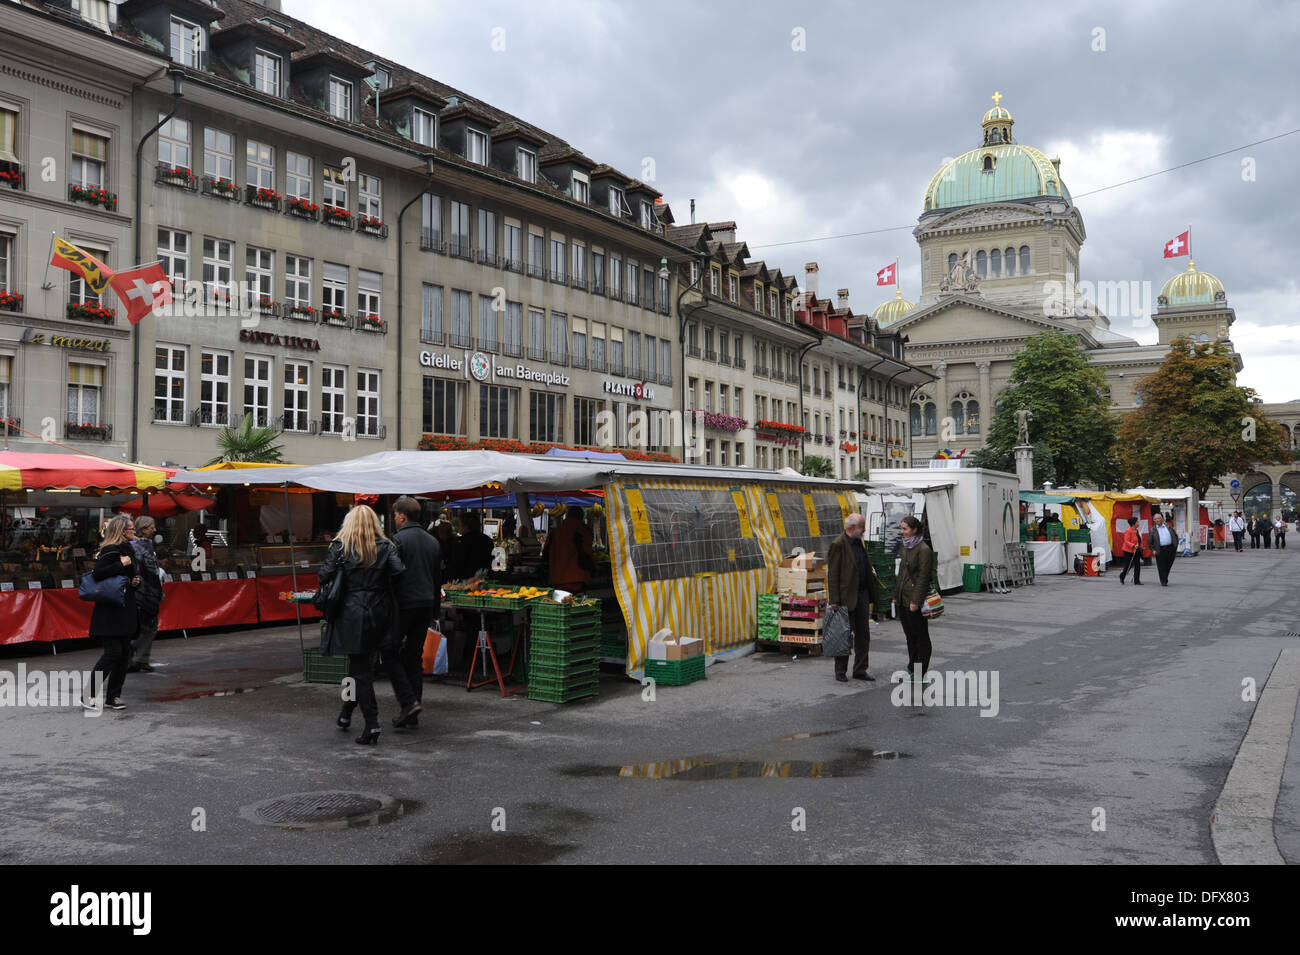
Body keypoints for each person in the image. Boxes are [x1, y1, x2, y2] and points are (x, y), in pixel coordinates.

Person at [317, 505, 406, 745]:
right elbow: (399, 572)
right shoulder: (386, 546)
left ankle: (372, 723)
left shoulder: (341, 546)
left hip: (351, 612)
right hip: (379, 610)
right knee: (358, 666)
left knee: (360, 670)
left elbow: (323, 576)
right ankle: (346, 713)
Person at [386, 496, 440, 730]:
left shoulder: (396, 541)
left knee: (389, 651)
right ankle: (412, 710)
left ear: (401, 516)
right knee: (414, 656)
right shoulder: (433, 542)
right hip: (425, 604)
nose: (394, 518)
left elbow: (391, 576)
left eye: (395, 515)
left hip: (403, 605)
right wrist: (435, 611)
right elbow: (437, 579)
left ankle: (408, 702)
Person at [85, 515, 142, 711]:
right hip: (110, 610)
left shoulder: (128, 550)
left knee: (124, 654)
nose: (134, 531)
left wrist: (133, 582)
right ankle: (89, 694)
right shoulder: (111, 550)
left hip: (125, 607)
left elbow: (125, 578)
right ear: (122, 531)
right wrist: (122, 564)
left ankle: (114, 696)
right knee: (113, 653)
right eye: (131, 528)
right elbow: (98, 573)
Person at [828, 513, 877, 682]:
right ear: (853, 527)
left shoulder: (858, 542)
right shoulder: (838, 544)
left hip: (862, 595)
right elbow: (833, 574)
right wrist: (834, 599)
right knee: (844, 635)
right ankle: (840, 670)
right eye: (862, 527)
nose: (864, 530)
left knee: (863, 635)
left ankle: (860, 669)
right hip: (845, 597)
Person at [894, 515, 933, 682]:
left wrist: (916, 601)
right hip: (903, 598)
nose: (902, 532)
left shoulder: (924, 550)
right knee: (910, 636)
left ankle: (920, 671)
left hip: (914, 601)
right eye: (901, 528)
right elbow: (902, 573)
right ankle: (911, 667)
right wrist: (895, 596)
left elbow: (924, 577)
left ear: (914, 529)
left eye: (905, 529)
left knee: (920, 636)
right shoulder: (906, 547)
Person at [128, 516, 164, 672]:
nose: (154, 530)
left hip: (145, 590)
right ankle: (134, 656)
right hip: (143, 591)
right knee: (146, 627)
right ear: (143, 529)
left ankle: (141, 659)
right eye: (151, 527)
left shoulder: (142, 545)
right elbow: (148, 571)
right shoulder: (140, 546)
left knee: (148, 626)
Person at [548, 505, 596, 592]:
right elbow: (587, 554)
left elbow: (546, 554)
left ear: (567, 515)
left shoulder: (554, 532)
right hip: (577, 580)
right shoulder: (583, 531)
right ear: (581, 517)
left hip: (555, 580)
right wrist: (595, 569)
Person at [449, 511, 493, 580]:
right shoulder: (487, 540)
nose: (459, 527)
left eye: (459, 525)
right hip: (485, 578)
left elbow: (457, 563)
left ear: (465, 526)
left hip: (466, 579)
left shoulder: (462, 542)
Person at [1151, 512, 1178, 587]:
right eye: (1155, 519)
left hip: (1170, 549)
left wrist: (1175, 546)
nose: (1157, 520)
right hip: (1160, 549)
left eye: (1158, 518)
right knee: (1161, 566)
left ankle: (1164, 577)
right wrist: (1153, 550)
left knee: (1168, 565)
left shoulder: (1169, 527)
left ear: (1162, 519)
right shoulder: (1152, 530)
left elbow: (1175, 536)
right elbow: (1150, 542)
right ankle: (1163, 580)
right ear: (1154, 520)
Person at [1118, 515, 1143, 585]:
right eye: (1137, 522)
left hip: (1136, 550)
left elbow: (1138, 540)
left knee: (1137, 565)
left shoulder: (1137, 530)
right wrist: (1133, 545)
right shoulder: (1128, 531)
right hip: (1128, 551)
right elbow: (1126, 541)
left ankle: (1137, 580)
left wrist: (1141, 546)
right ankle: (1122, 576)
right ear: (1133, 523)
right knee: (1128, 565)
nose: (1138, 523)